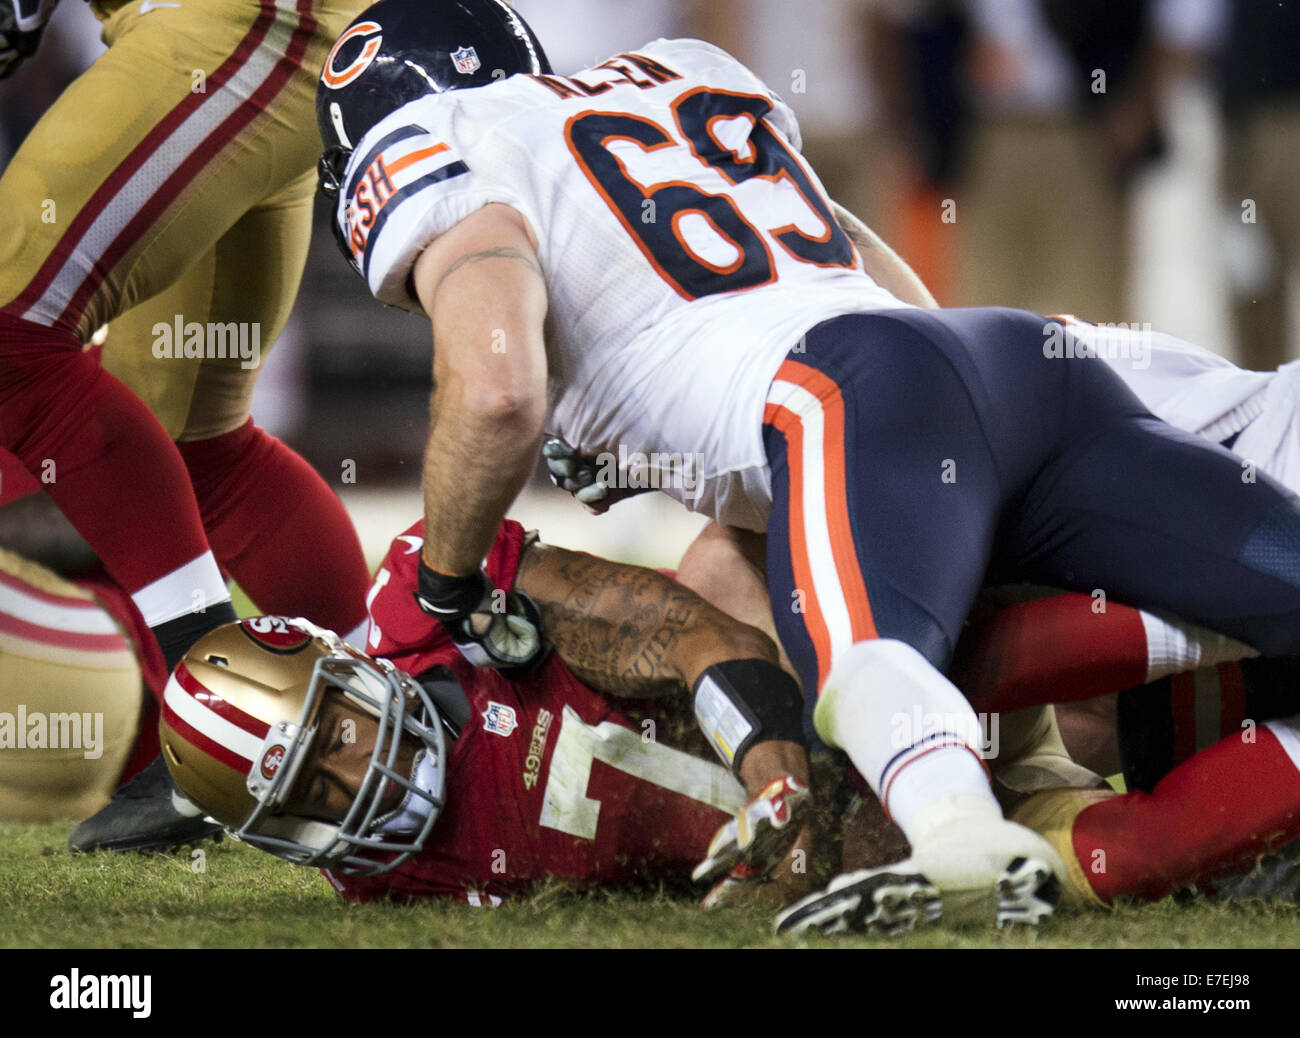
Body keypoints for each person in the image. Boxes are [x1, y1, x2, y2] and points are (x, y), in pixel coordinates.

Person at [317, 0, 1300, 933]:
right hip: (1003, 360)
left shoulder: (443, 141)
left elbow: (496, 394)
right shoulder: (675, 70)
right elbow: (878, 286)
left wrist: (440, 588)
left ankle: (958, 842)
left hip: (852, 394)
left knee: (860, 659)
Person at [0, 0, 374, 850]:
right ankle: (401, 704)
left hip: (237, 24)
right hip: (251, 33)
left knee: (9, 327)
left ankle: (220, 720)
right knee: (198, 446)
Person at [159, 518, 829, 912]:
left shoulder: (428, 608)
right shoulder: (383, 882)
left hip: (782, 694)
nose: (354, 779)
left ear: (348, 668)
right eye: (310, 792)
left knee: (722, 562)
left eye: (335, 734)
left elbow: (702, 634)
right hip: (725, 847)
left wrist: (780, 786)